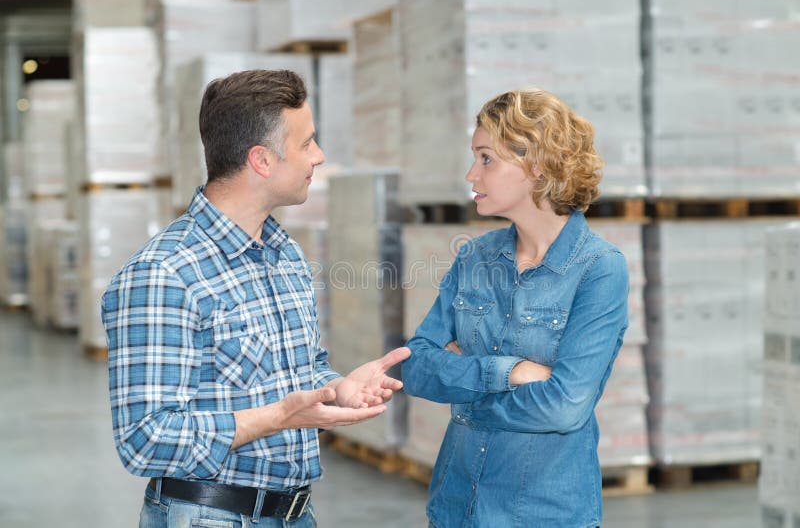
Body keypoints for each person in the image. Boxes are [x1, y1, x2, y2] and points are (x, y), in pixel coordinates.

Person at [101, 69, 410, 527]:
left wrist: (337, 388)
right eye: (307, 143)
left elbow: (292, 372)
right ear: (262, 160)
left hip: (293, 514)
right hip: (209, 516)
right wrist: (278, 417)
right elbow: (146, 438)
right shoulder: (164, 274)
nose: (319, 157)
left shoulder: (283, 253)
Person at [401, 88, 629, 527]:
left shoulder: (599, 270)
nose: (472, 174)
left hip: (542, 515)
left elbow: (565, 407)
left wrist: (466, 393)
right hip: (455, 509)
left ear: (536, 164)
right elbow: (416, 367)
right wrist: (508, 373)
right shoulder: (474, 258)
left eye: (486, 158)